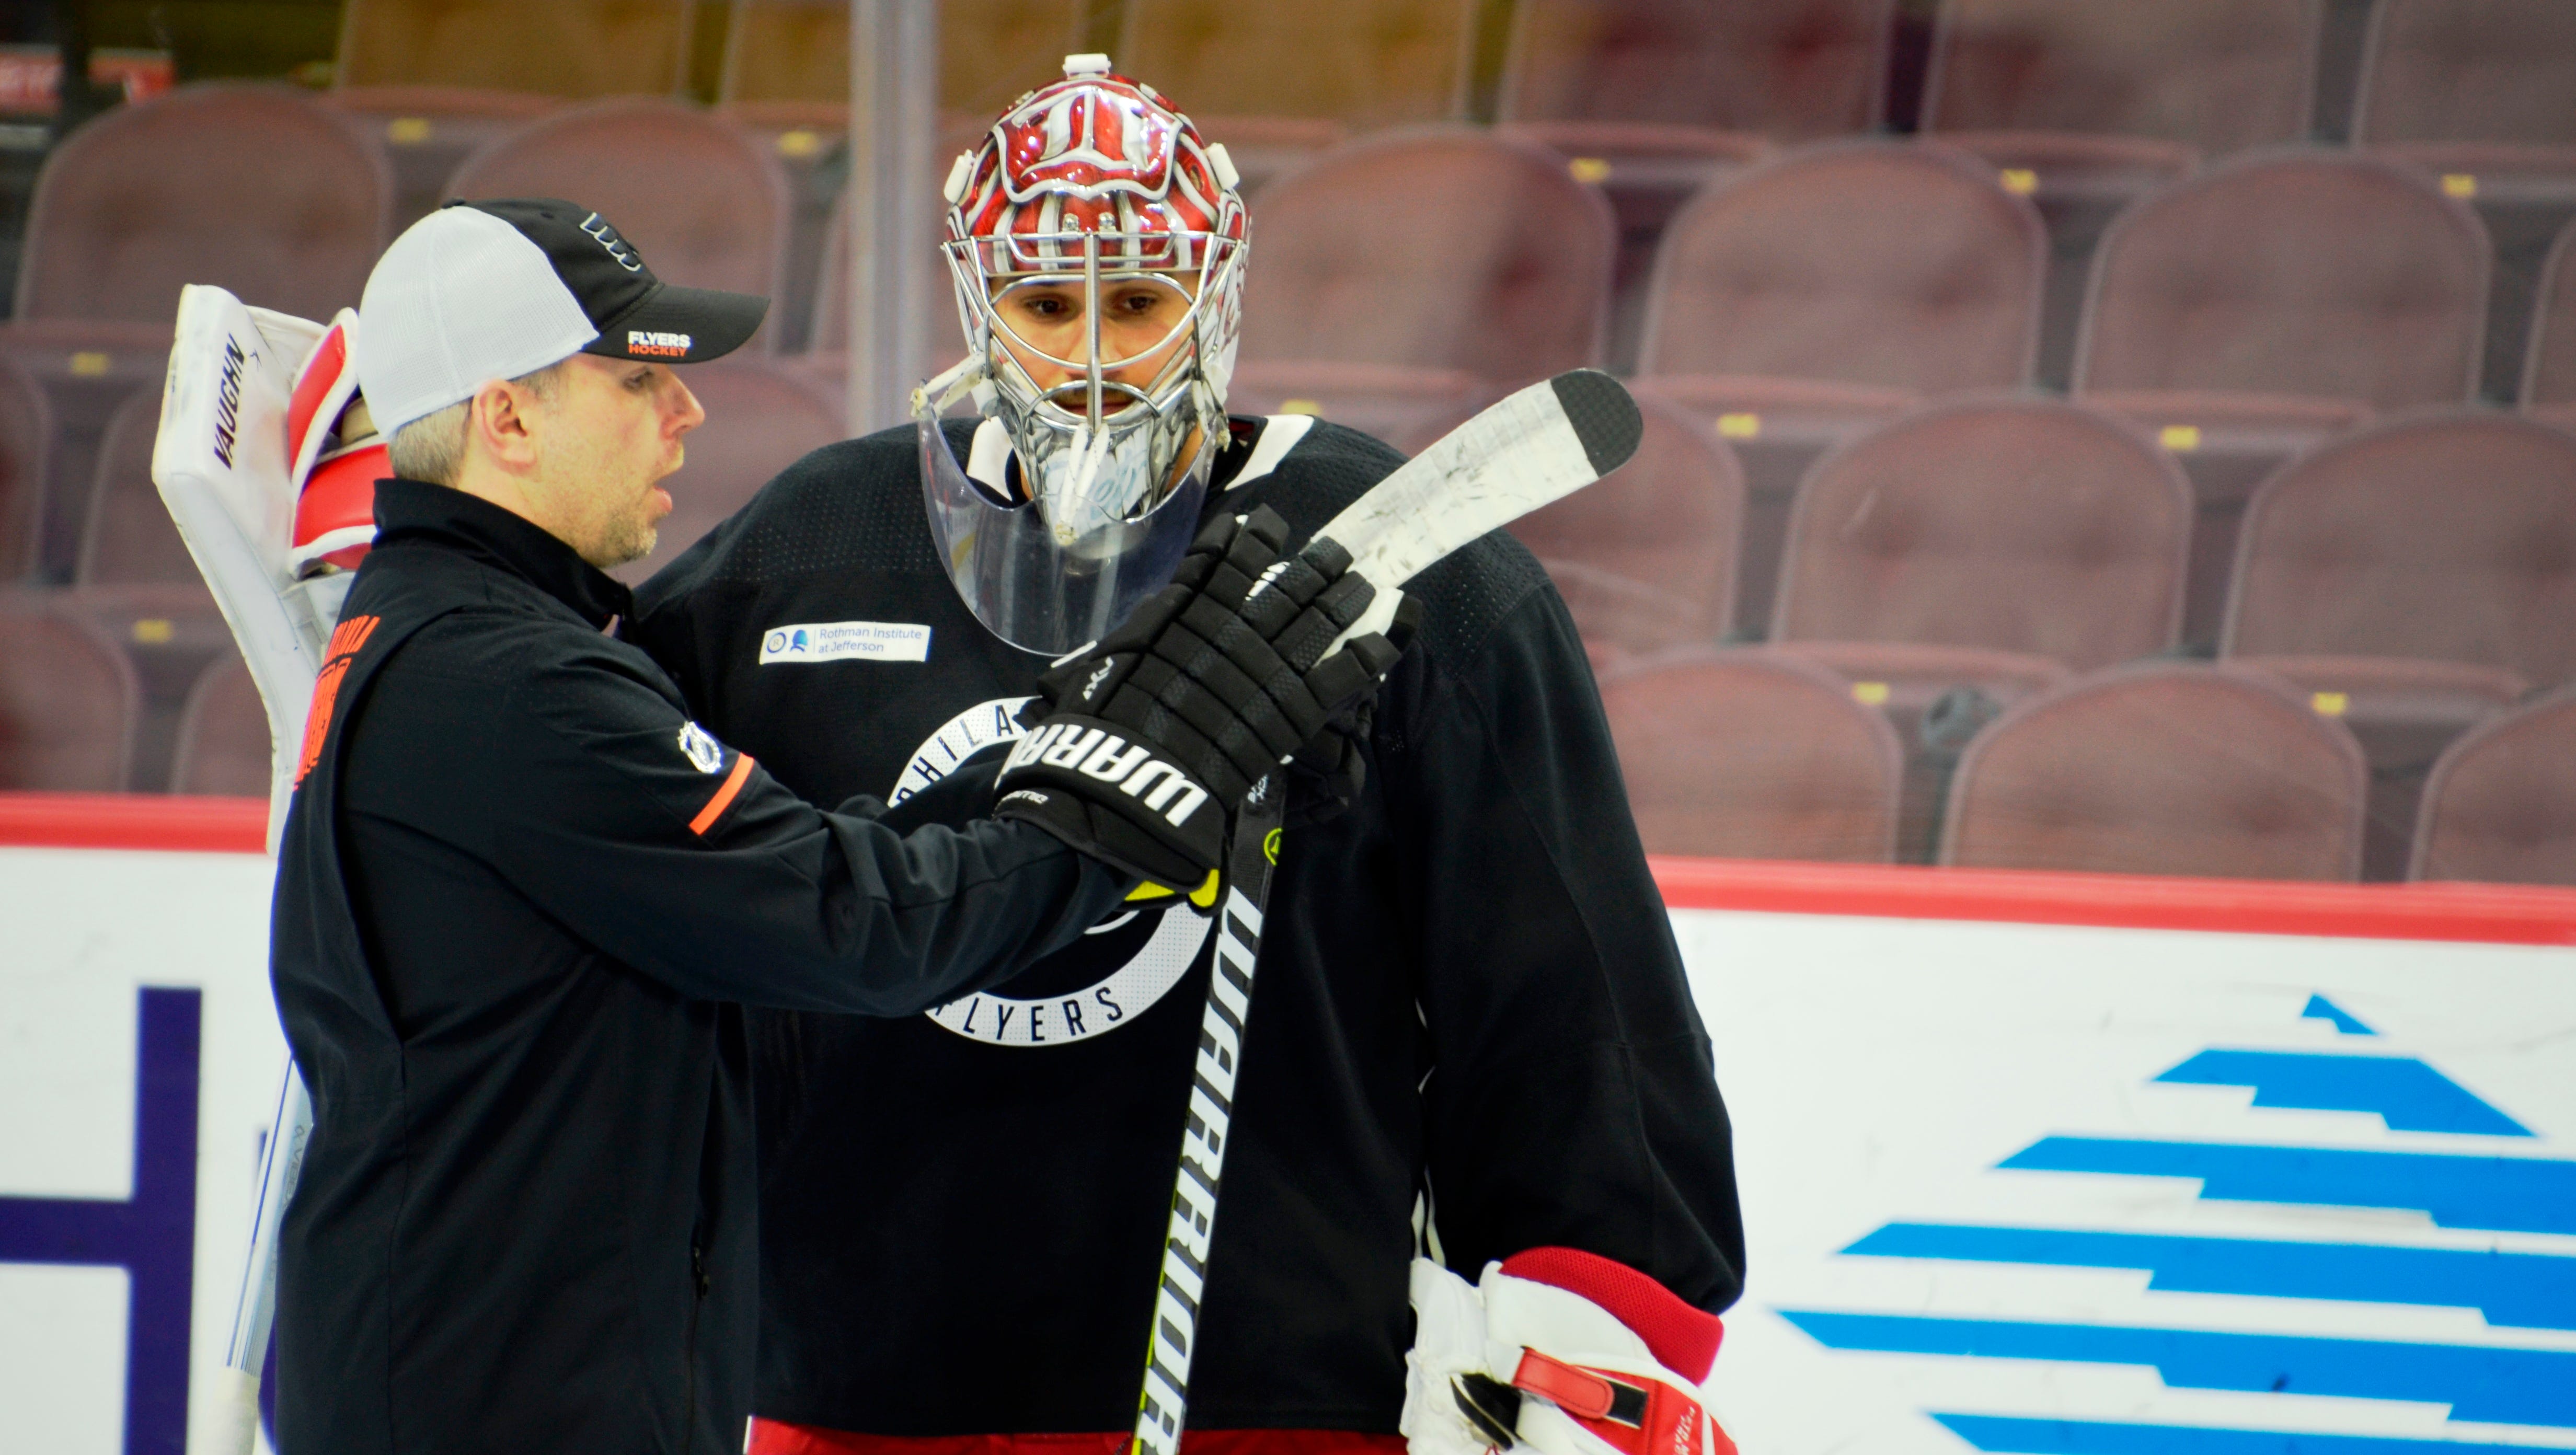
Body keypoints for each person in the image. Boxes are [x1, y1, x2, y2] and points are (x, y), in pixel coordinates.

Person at [631, 57, 1745, 1455]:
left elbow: (1567, 994)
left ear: (1213, 300)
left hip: (1270, 1398)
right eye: (1047, 306)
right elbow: (624, 877)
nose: (1093, 356)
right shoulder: (801, 557)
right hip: (855, 1390)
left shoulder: (1399, 564)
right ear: (980, 308)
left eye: (1138, 304)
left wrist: (1591, 1339)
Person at [270, 196, 1404, 1455]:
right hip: (490, 1407)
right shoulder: (514, 689)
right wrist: (1141, 788)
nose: (687, 410)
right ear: (508, 415)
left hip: (467, 1374)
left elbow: (829, 865)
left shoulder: (443, 640)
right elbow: (858, 920)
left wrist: (1099, 743)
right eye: (640, 381)